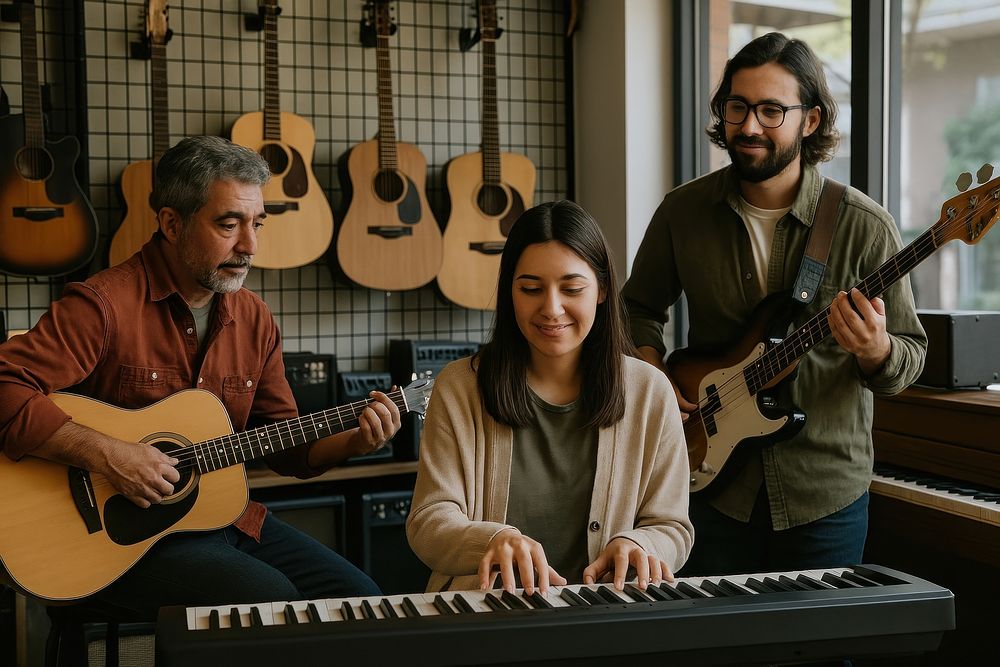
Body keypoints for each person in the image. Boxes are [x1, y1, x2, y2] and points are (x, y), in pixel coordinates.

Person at [0, 136, 399, 617]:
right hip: (114, 538)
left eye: (257, 224)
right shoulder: (102, 306)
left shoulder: (254, 320)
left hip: (221, 518)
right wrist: (110, 455)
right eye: (229, 225)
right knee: (271, 602)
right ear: (171, 223)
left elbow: (285, 442)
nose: (249, 246)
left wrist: (353, 441)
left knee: (364, 600)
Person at [622, 32, 927, 576]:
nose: (749, 126)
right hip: (706, 483)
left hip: (823, 494)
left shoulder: (864, 226)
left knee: (823, 654)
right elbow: (634, 309)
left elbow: (908, 359)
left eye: (771, 110)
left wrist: (877, 349)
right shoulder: (682, 213)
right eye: (737, 107)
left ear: (809, 121)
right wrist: (658, 380)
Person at [406, 200, 693, 596]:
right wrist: (492, 540)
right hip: (484, 615)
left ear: (603, 289)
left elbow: (672, 526)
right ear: (510, 291)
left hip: (606, 618)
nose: (551, 308)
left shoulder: (651, 392)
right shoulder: (459, 387)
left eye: (572, 288)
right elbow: (428, 521)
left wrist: (639, 544)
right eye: (531, 289)